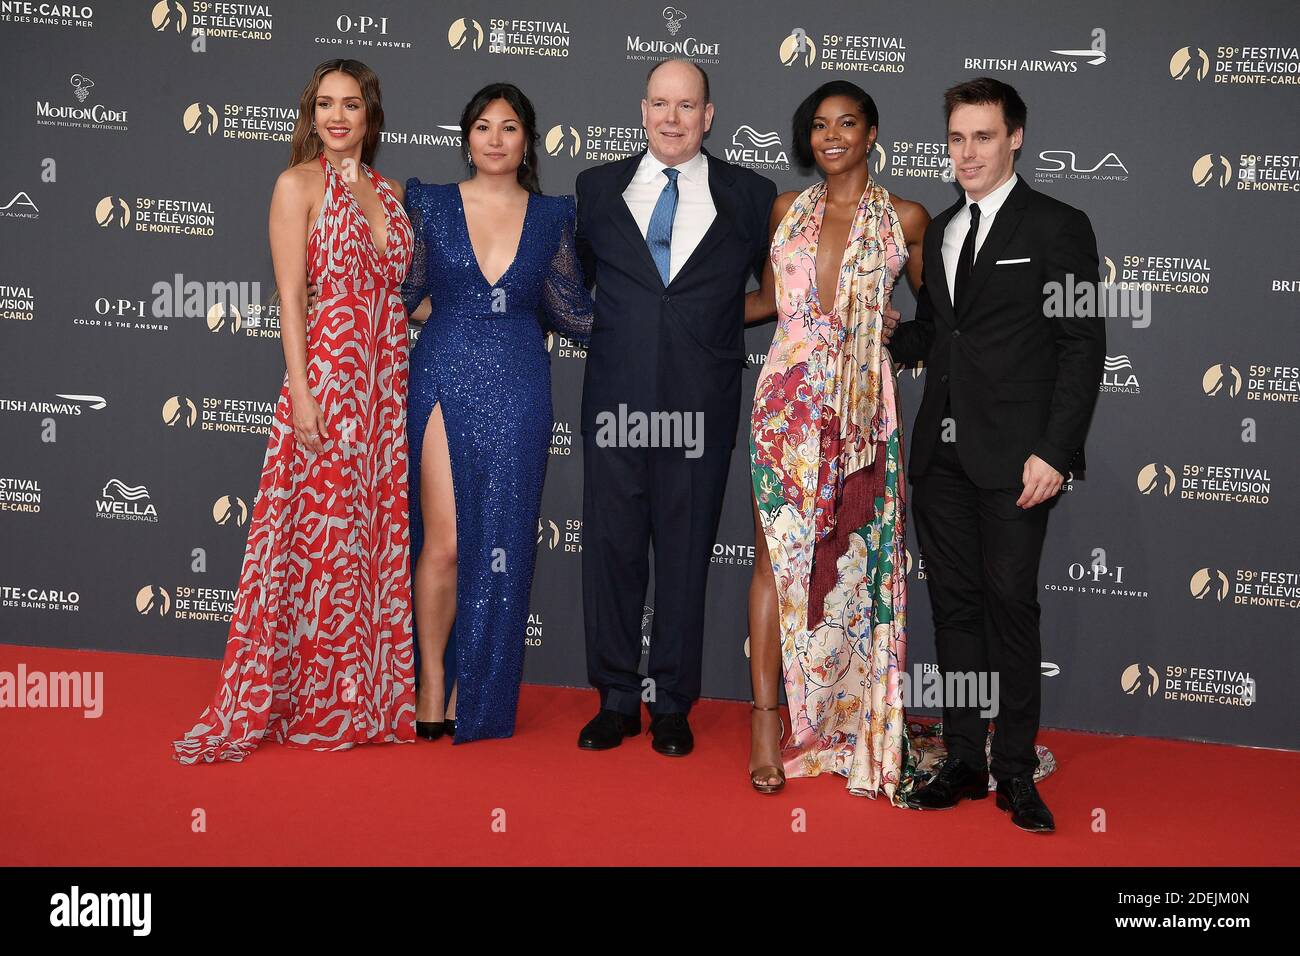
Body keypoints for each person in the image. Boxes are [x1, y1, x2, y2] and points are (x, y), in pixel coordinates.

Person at [174, 59, 416, 763]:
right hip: (331, 380)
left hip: (386, 384)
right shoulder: (295, 185)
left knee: (372, 536)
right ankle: (319, 696)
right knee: (324, 540)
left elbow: (403, 294)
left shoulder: (389, 191)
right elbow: (290, 299)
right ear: (311, 116)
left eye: (351, 105)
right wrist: (303, 394)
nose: (337, 117)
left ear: (371, 115)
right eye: (325, 105)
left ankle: (370, 694)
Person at [888, 77, 1105, 831]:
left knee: (1011, 608)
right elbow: (939, 337)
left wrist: (1056, 450)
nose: (968, 151)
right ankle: (963, 761)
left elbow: (1082, 345)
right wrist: (884, 329)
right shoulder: (943, 229)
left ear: (1015, 138)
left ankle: (1016, 770)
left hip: (1019, 461)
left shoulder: (1058, 225)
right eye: (956, 137)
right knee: (955, 612)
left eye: (983, 136)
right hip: (940, 460)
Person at [574, 58, 777, 756]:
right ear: (642, 110)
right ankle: (615, 698)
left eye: (687, 106)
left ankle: (672, 706)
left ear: (709, 115)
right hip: (615, 403)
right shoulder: (596, 188)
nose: (672, 118)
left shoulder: (752, 195)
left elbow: (779, 291)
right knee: (611, 552)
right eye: (661, 104)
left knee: (687, 557)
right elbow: (585, 287)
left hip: (701, 405)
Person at [744, 82, 927, 802]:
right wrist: (677, 307)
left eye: (847, 123)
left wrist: (899, 333)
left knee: (860, 563)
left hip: (863, 414)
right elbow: (764, 303)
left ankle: (850, 725)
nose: (832, 136)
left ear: (873, 133)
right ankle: (767, 725)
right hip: (784, 408)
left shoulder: (905, 218)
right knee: (772, 560)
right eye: (819, 125)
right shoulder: (785, 210)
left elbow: (937, 320)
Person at [398, 83, 593, 743]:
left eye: (509, 127)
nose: (495, 138)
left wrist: (660, 310)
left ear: (527, 141)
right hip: (442, 376)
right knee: (446, 543)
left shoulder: (551, 217)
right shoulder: (431, 205)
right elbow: (405, 293)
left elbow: (572, 311)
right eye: (483, 126)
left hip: (517, 389)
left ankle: (471, 692)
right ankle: (430, 681)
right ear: (467, 136)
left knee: (501, 546)